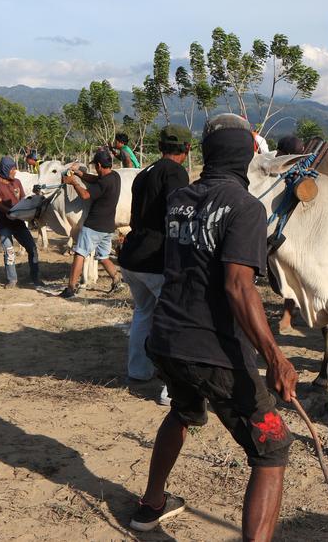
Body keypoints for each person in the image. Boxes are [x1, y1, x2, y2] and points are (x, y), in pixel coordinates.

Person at [132, 113, 297, 536]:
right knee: (272, 448)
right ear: (247, 156)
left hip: (166, 340)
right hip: (212, 351)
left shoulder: (180, 200)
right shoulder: (246, 208)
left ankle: (151, 504)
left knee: (182, 413)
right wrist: (275, 358)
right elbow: (239, 288)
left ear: (206, 153)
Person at [121, 125, 192, 403]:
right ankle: (170, 389)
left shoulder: (145, 172)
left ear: (160, 145)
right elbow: (176, 215)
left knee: (143, 313)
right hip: (155, 258)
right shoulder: (175, 173)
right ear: (186, 149)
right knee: (173, 320)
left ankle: (138, 371)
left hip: (133, 256)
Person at [59, 149, 123, 298]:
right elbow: (95, 179)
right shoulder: (115, 176)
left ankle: (70, 288)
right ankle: (117, 279)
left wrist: (73, 182)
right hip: (108, 227)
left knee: (79, 254)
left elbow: (85, 195)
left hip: (94, 225)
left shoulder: (103, 183)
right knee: (104, 256)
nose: (95, 168)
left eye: (95, 165)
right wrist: (78, 173)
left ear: (99, 165)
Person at [0, 156, 43, 288]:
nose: (15, 171)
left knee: (32, 249)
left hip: (18, 223)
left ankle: (35, 278)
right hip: (4, 224)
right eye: (12, 169)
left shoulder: (16, 182)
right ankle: (12, 280)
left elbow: (23, 199)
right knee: (10, 252)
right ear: (5, 169)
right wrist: (13, 212)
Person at [273, 135, 305, 334]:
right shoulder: (300, 172)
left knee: (291, 270)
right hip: (299, 230)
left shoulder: (293, 175)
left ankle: (287, 315)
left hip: (295, 232)